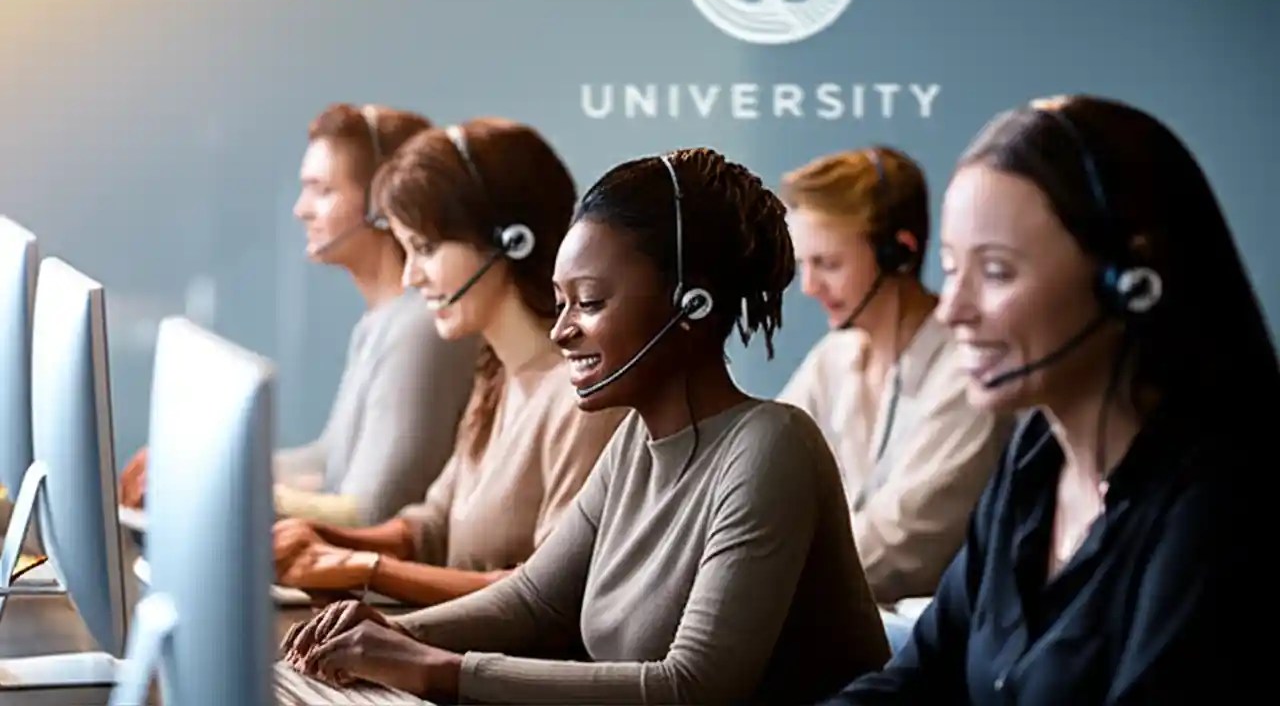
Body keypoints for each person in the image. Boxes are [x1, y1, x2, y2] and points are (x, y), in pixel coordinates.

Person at [279, 147, 891, 704]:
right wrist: (384, 634)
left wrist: (435, 668)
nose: (561, 329)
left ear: (690, 305)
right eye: (562, 299)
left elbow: (692, 687)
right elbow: (534, 600)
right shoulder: (634, 442)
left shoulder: (770, 447)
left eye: (591, 302)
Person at [822, 95, 1277, 704]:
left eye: (998, 272)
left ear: (1128, 283)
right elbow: (921, 674)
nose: (953, 309)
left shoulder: (1218, 505)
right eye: (952, 268)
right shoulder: (1033, 462)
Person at [271, 118, 627, 607]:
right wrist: (323, 538)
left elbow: (549, 594)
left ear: (510, 240)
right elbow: (433, 523)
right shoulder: (498, 373)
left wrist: (367, 569)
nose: (413, 276)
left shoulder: (581, 400)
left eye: (427, 249)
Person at [118, 103, 479, 527]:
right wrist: (197, 463)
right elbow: (328, 460)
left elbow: (369, 511)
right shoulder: (381, 321)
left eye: (322, 191)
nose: (301, 209)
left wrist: (206, 486)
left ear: (385, 204)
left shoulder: (421, 328)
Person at [778, 146, 1009, 607]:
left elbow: (905, 542)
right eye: (805, 264)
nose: (809, 286)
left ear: (897, 253)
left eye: (828, 264)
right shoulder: (833, 360)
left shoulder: (968, 368)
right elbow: (764, 481)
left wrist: (758, 582)